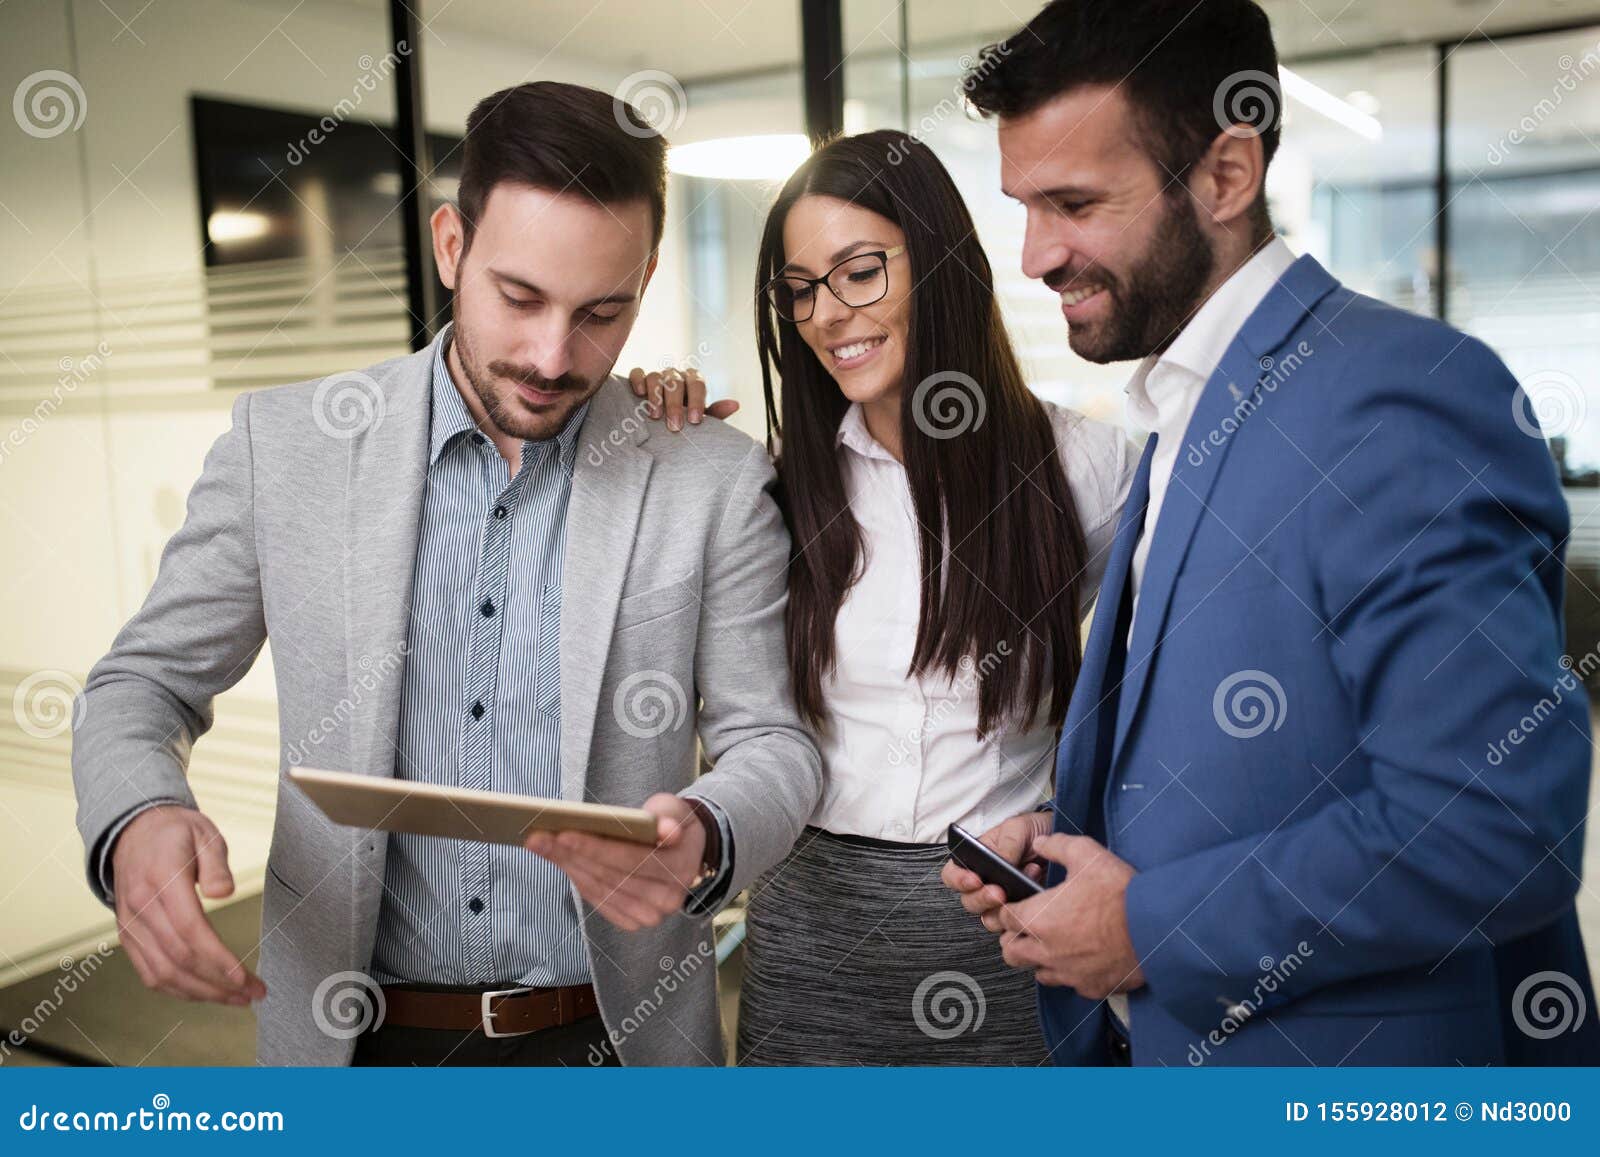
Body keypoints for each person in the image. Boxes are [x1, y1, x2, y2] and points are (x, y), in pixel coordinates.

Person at [69, 80, 822, 1067]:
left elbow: (775, 739)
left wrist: (711, 831)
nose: (554, 355)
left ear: (643, 278)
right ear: (451, 248)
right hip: (356, 1055)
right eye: (520, 298)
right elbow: (140, 683)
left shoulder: (710, 474)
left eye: (602, 310)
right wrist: (137, 817)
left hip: (617, 1051)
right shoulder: (286, 445)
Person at [945, 0, 1599, 1066]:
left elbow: (1495, 822)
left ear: (1225, 175)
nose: (1033, 256)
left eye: (1072, 203)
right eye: (1023, 205)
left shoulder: (1392, 396)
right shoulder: (1186, 403)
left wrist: (1147, 925)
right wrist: (1073, 845)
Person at [631, 131, 1135, 1064]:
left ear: (940, 261)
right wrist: (639, 424)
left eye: (860, 272)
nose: (827, 314)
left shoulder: (1087, 471)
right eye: (801, 287)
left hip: (1003, 921)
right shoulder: (774, 487)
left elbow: (1145, 717)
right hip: (812, 934)